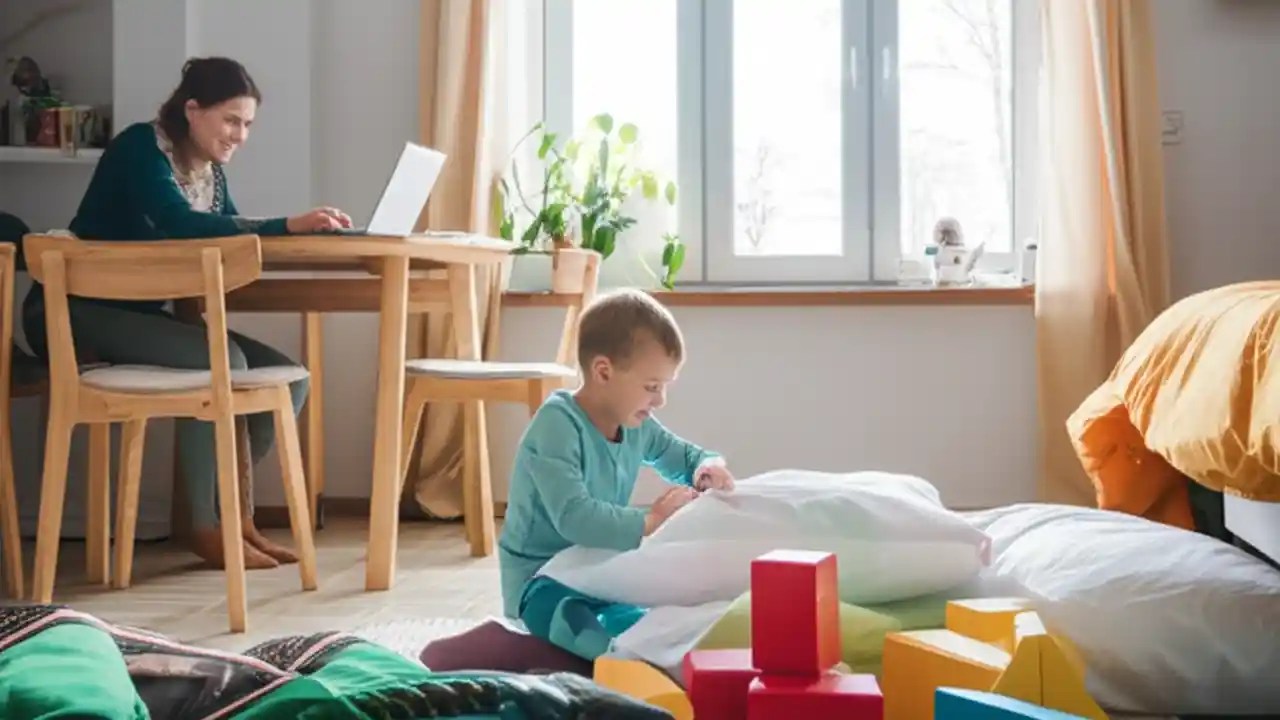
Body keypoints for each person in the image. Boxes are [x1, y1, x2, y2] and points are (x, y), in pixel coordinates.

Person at [21, 57, 353, 570]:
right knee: (217, 362)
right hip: (72, 314)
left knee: (291, 382)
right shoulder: (140, 147)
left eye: (247, 125)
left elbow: (222, 234)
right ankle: (202, 525)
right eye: (231, 120)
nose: (239, 135)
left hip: (138, 318)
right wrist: (288, 223)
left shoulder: (210, 174)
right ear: (193, 110)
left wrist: (293, 231)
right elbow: (178, 223)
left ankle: (233, 517)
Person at [498, 288, 736, 634]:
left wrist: (706, 467)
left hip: (597, 566)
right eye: (652, 386)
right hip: (540, 579)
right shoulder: (556, 425)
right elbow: (574, 517)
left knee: (660, 612)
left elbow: (685, 456)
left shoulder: (635, 424)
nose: (660, 400)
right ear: (604, 372)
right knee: (602, 637)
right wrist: (651, 519)